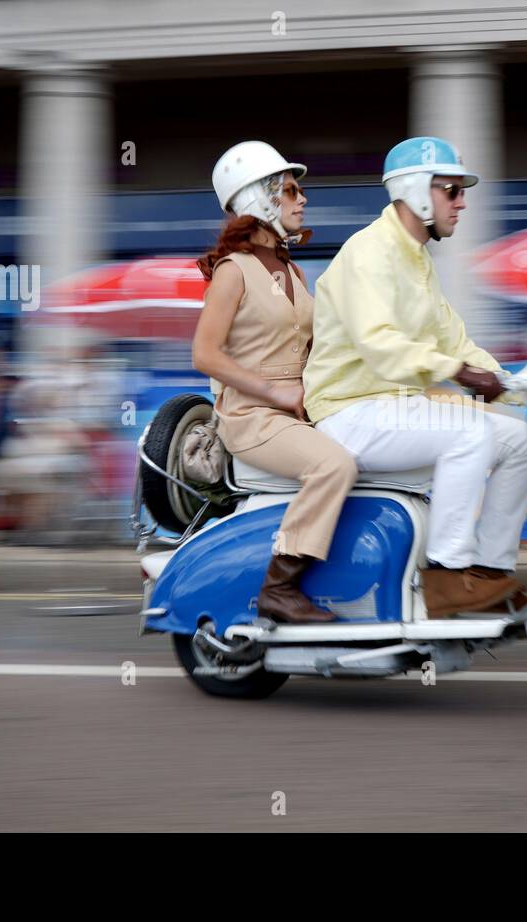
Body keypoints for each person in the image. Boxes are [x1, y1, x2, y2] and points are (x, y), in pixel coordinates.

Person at [303, 137, 527, 619]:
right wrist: (460, 372)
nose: (463, 202)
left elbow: (454, 342)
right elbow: (381, 346)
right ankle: (447, 575)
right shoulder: (368, 254)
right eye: (451, 190)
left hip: (395, 408)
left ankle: (488, 571)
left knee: (521, 439)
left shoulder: (417, 259)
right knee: (469, 434)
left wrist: (520, 386)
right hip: (349, 412)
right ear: (414, 191)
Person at [192, 141, 358, 623]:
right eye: (290, 190)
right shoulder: (233, 272)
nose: (302, 199)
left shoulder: (292, 270)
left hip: (295, 413)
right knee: (333, 467)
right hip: (250, 417)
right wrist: (278, 393)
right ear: (260, 200)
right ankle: (279, 586)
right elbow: (204, 354)